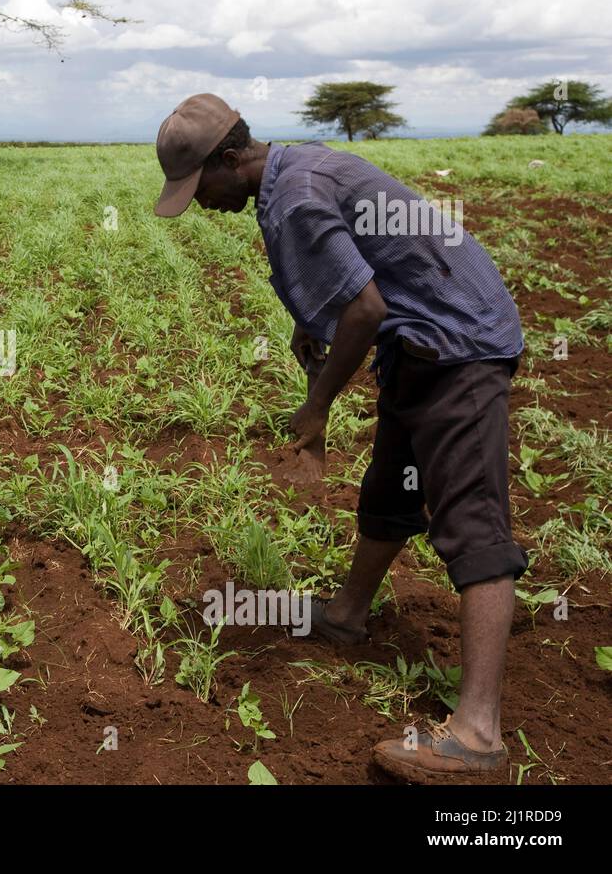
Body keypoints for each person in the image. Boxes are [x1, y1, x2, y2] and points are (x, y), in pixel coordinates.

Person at [153, 93, 527, 782]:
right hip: (421, 341)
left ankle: (478, 734)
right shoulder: (293, 168)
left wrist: (317, 408)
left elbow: (364, 308)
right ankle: (348, 614)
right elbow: (349, 276)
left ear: (231, 159)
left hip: (459, 343)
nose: (196, 201)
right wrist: (308, 321)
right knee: (391, 484)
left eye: (197, 185)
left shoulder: (293, 195)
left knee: (474, 525)